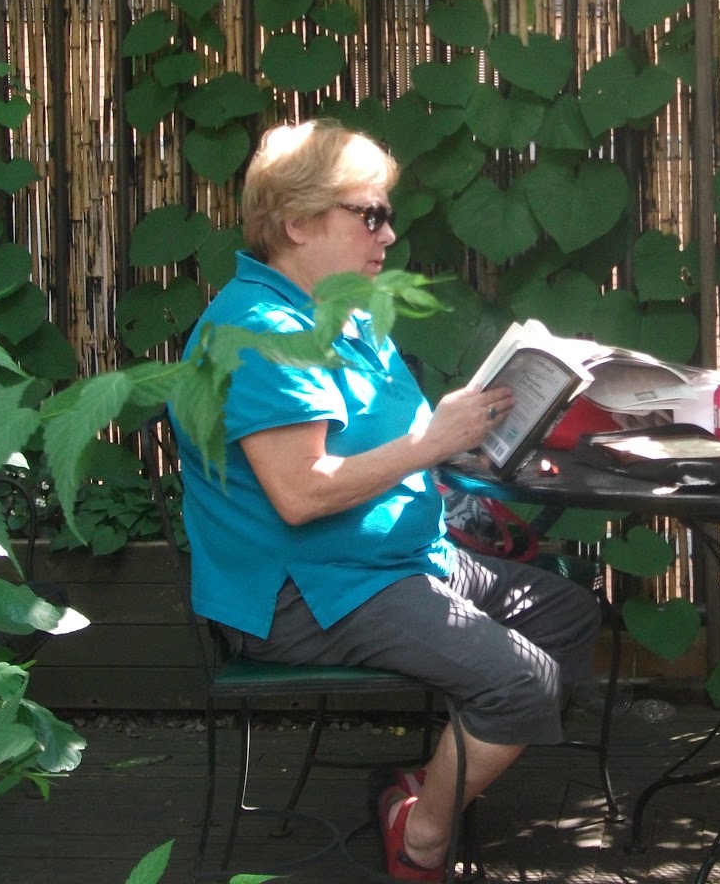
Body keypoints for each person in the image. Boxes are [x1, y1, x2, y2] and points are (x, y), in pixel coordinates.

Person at [169, 118, 600, 882]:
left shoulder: (343, 314)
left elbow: (389, 443)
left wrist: (480, 442)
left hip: (391, 560)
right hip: (311, 590)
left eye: (385, 214)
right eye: (368, 215)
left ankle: (426, 789)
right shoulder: (262, 331)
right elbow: (301, 494)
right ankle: (423, 836)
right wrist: (434, 444)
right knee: (521, 679)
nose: (389, 234)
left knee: (568, 615)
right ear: (298, 223)